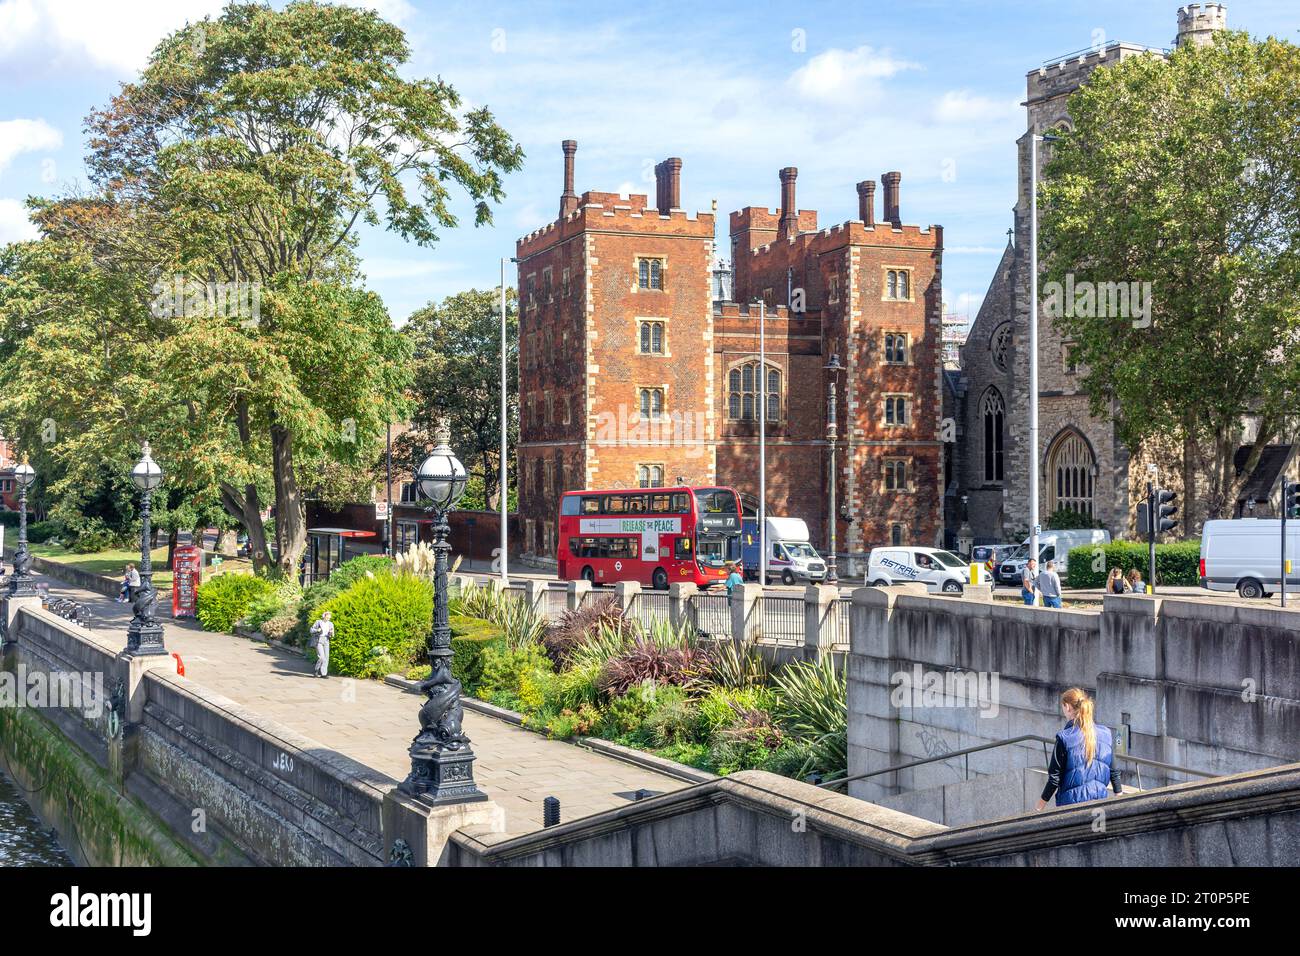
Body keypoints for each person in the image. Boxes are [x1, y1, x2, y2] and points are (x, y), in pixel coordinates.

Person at [1036, 687, 1122, 809]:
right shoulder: (1105, 734)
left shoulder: (1064, 738)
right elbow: (1114, 772)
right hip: (1099, 804)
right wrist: (1120, 799)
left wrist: (1038, 808)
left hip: (1071, 806)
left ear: (1067, 707)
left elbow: (1054, 778)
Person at [309, 610, 334, 679]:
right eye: (327, 617)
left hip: (326, 640)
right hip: (319, 640)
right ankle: (316, 670)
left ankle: (324, 673)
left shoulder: (331, 624)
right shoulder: (318, 622)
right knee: (321, 657)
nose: (328, 619)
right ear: (324, 616)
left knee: (326, 657)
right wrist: (317, 630)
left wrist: (331, 633)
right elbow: (311, 630)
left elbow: (332, 635)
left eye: (329, 618)